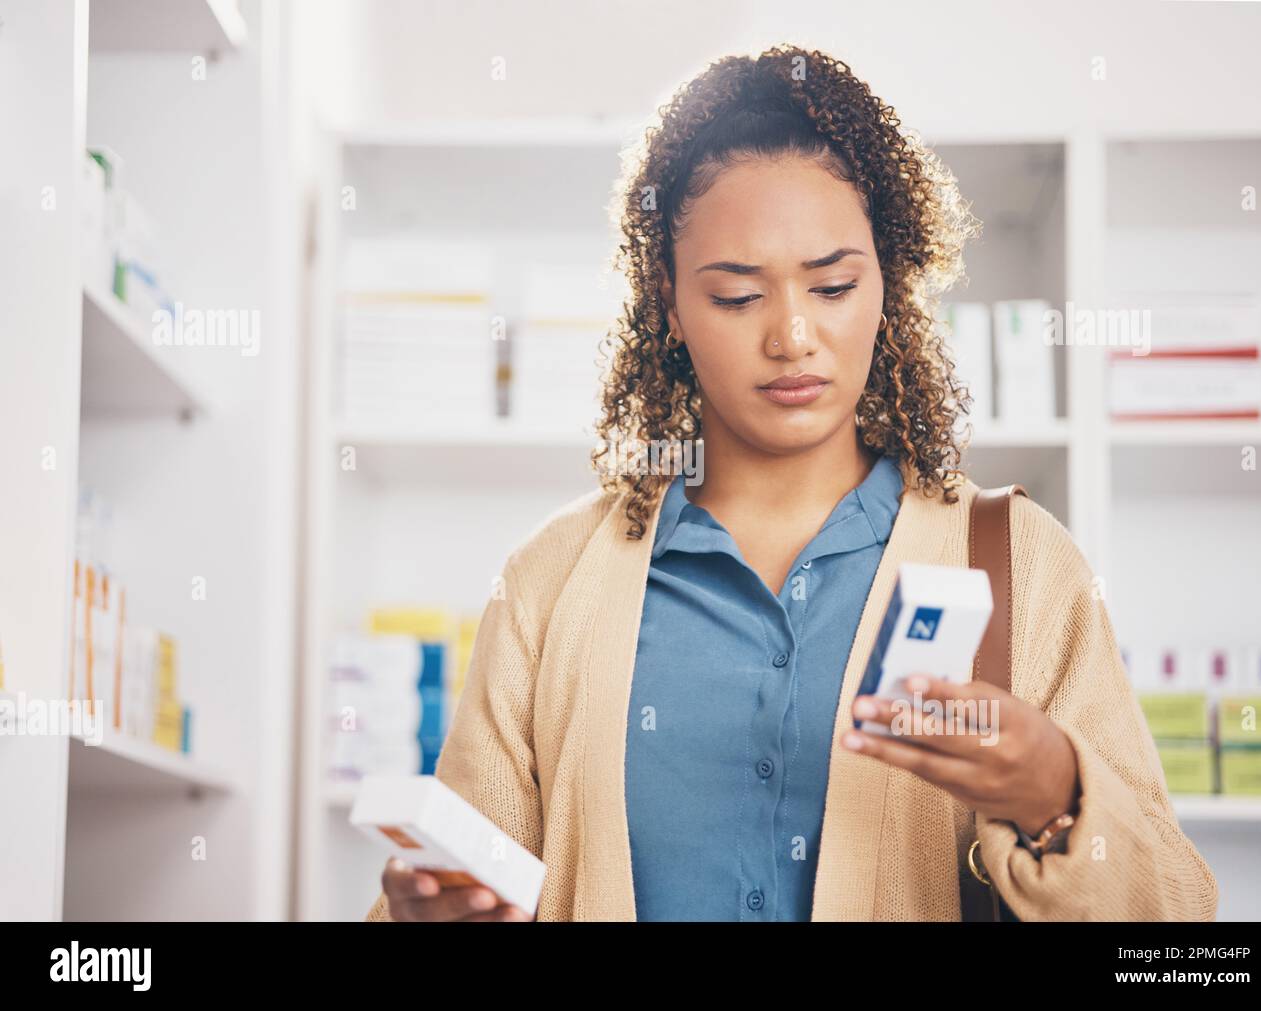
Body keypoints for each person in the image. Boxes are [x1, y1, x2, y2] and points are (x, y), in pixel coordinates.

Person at [368, 44, 1217, 922]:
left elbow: (1178, 924)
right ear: (669, 302)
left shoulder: (1022, 566)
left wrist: (1055, 791)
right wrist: (426, 913)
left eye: (834, 285)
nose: (794, 337)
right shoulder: (549, 585)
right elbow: (458, 877)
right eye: (739, 297)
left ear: (887, 279)